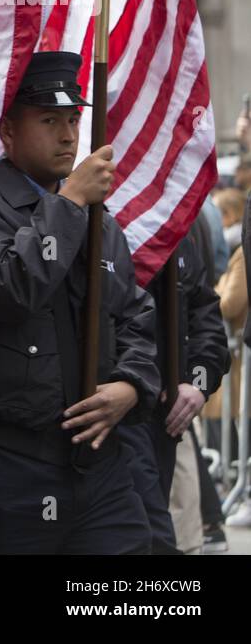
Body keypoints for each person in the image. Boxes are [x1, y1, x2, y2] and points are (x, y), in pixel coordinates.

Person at [0, 51, 160, 554]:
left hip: (97, 465)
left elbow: (134, 314)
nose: (70, 136)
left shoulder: (97, 218)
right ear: (7, 130)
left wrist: (132, 385)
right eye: (49, 120)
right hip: (1, 462)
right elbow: (12, 288)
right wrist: (69, 204)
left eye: (74, 119)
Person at [118, 222, 228, 554]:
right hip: (117, 409)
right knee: (147, 530)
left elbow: (204, 309)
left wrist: (197, 381)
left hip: (164, 413)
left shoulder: (178, 225)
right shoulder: (96, 219)